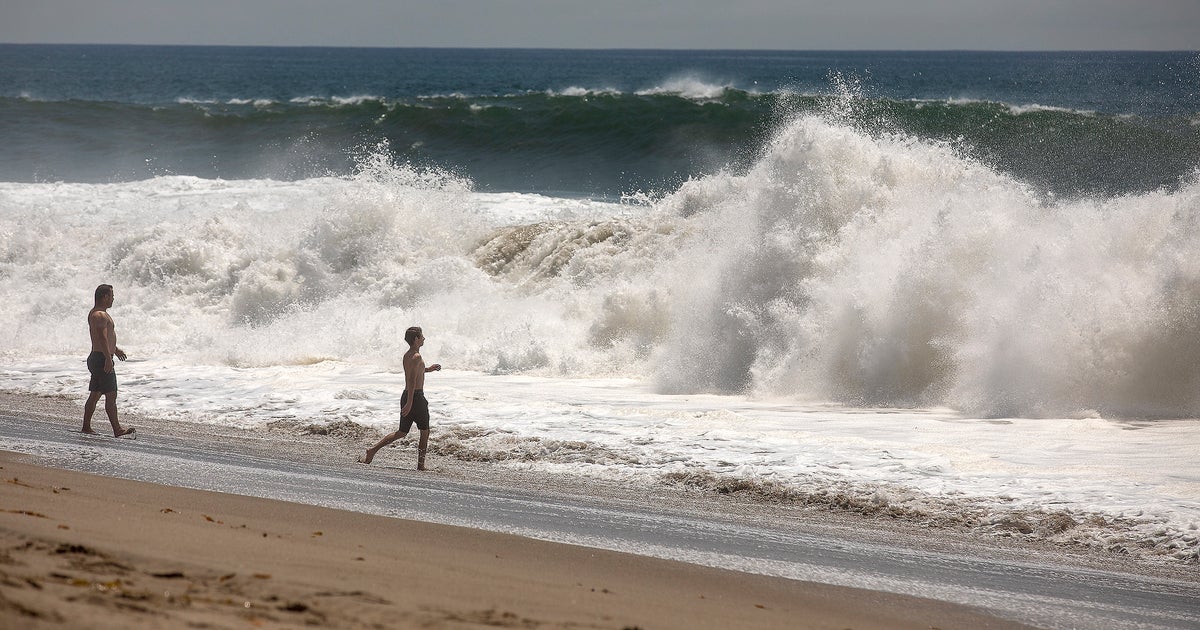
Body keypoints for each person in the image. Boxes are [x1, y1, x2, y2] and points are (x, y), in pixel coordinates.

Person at [361, 326, 441, 470]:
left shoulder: (408, 355)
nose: (424, 338)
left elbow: (415, 373)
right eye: (422, 336)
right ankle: (421, 466)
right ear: (416, 339)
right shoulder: (416, 357)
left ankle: (372, 450)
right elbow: (411, 380)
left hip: (407, 396)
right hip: (415, 397)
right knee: (424, 431)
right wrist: (410, 402)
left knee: (402, 432)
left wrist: (429, 369)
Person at [82, 284, 135, 437]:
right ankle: (117, 429)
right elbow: (102, 337)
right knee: (111, 395)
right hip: (101, 358)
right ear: (105, 297)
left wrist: (115, 350)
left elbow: (106, 339)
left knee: (95, 394)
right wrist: (107, 358)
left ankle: (86, 426)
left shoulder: (99, 314)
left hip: (98, 357)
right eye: (111, 295)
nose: (113, 298)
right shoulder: (99, 315)